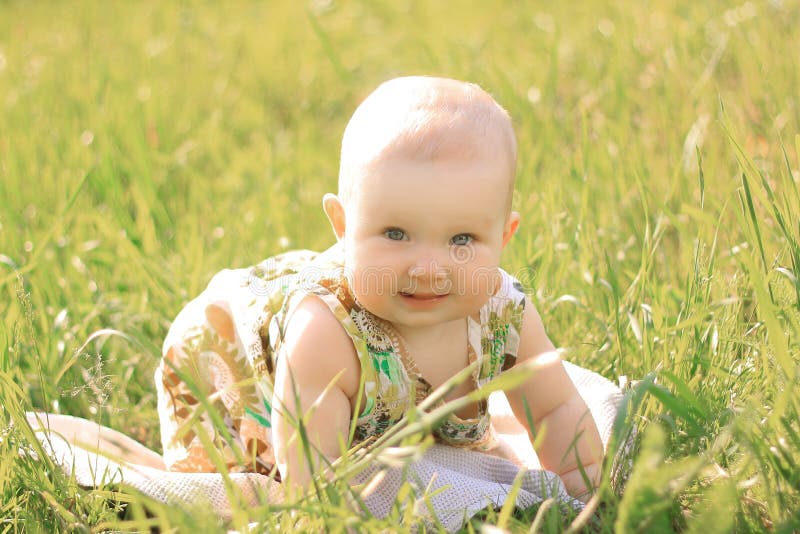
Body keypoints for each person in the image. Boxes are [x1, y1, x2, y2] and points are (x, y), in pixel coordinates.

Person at [155, 76, 603, 501]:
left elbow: (557, 409)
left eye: (461, 239)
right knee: (248, 482)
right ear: (342, 226)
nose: (427, 269)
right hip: (230, 368)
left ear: (503, 237)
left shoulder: (504, 314)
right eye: (395, 234)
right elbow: (311, 479)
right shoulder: (326, 333)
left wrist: (584, 493)